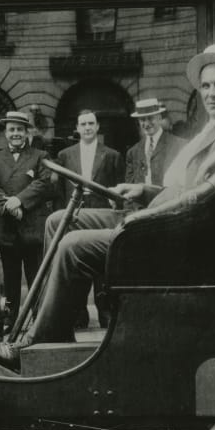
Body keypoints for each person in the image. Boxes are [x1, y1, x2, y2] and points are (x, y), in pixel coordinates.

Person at [0, 44, 215, 365]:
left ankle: (37, 343)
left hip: (182, 241)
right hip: (164, 218)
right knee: (58, 220)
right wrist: (144, 190)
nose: (211, 93)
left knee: (73, 245)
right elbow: (183, 188)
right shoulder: (210, 124)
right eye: (206, 85)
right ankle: (55, 333)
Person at [0, 111, 55, 326]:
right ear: (5, 133)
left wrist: (20, 201)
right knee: (10, 279)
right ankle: (10, 321)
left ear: (27, 132)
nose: (16, 134)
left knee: (36, 277)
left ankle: (39, 322)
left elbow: (43, 183)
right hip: (7, 227)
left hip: (32, 227)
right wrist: (9, 206)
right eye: (12, 130)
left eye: (20, 130)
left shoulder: (40, 156)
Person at [56, 109, 124, 329]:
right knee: (77, 261)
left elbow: (119, 191)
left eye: (91, 124)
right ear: (77, 128)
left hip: (102, 213)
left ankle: (105, 313)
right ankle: (78, 314)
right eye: (83, 124)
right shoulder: (66, 155)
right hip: (75, 214)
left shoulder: (112, 155)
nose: (87, 128)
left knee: (103, 264)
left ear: (97, 127)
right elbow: (60, 190)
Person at [125, 98, 183, 190]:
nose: (147, 124)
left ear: (159, 118)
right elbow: (129, 188)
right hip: (141, 204)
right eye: (142, 120)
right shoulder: (133, 152)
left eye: (151, 118)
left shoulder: (178, 145)